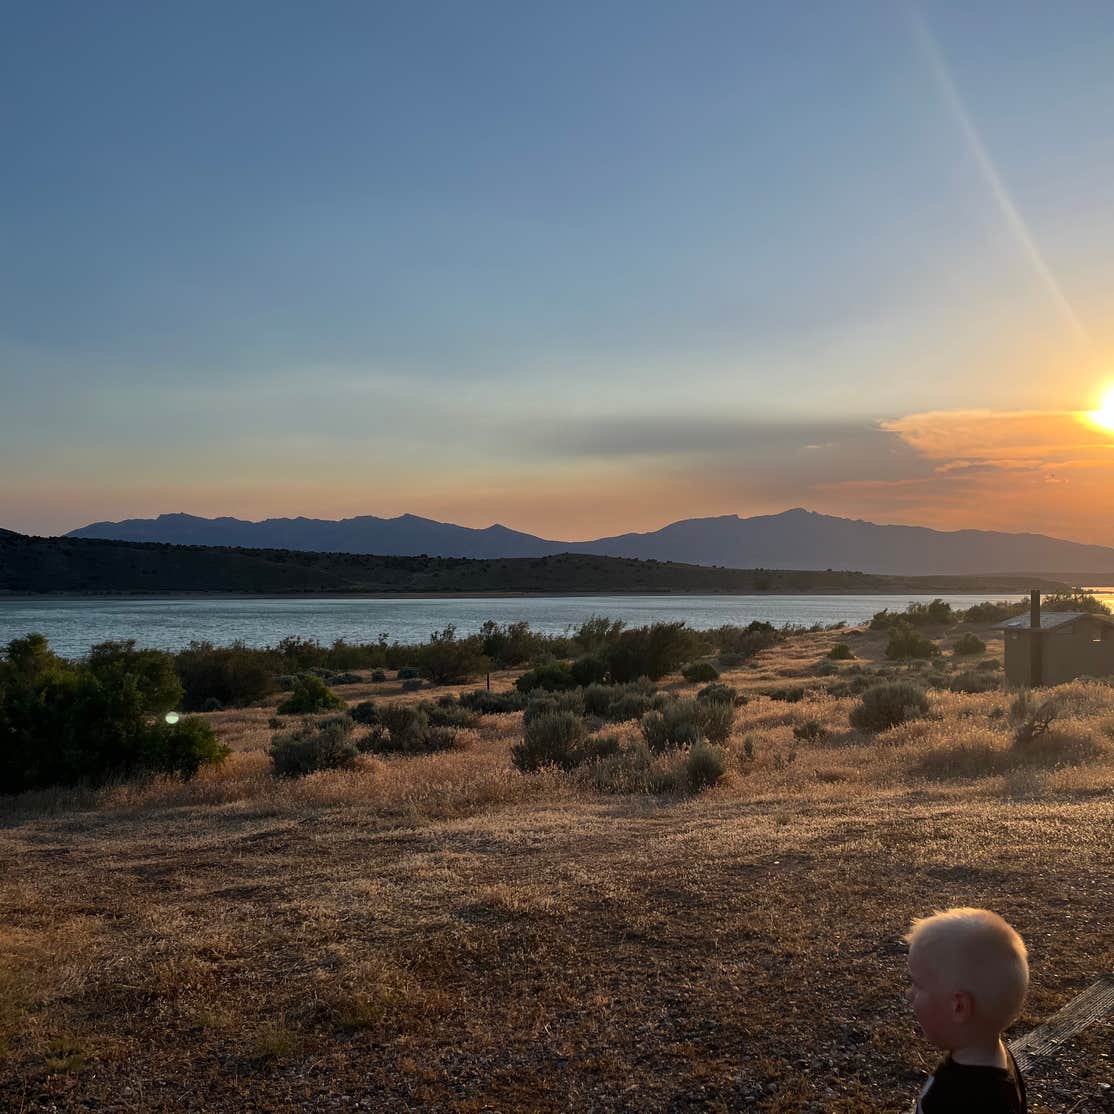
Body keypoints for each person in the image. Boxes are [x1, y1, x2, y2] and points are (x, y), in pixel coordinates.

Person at [904, 907, 1028, 1113]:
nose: (910, 994)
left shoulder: (962, 1100)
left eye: (917, 984)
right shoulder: (996, 1060)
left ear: (958, 1007)